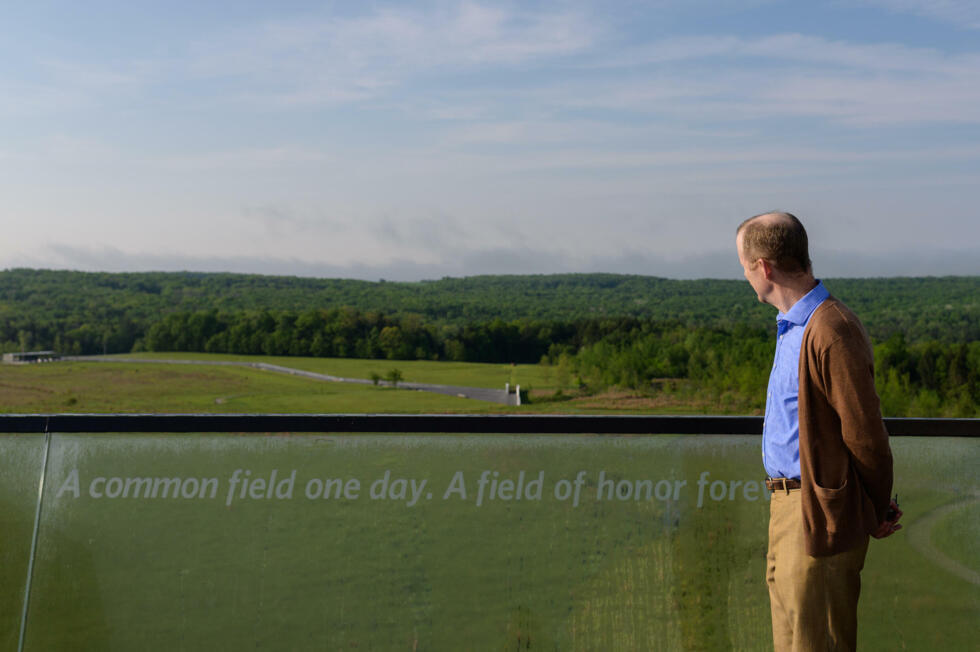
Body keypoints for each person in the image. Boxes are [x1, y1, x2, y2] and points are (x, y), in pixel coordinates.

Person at [735, 211, 902, 652]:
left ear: (764, 267)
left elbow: (866, 436)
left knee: (819, 643)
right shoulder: (793, 327)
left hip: (820, 518)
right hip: (788, 510)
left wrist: (876, 506)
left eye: (744, 266)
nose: (746, 277)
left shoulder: (830, 329)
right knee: (793, 644)